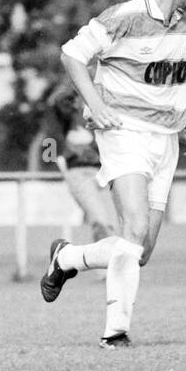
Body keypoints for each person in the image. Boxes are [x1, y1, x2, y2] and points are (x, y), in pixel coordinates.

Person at [40, 0, 186, 348]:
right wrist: (95, 105)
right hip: (123, 134)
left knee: (141, 250)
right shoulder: (123, 17)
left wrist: (181, 128)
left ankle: (66, 259)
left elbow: (168, 88)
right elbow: (71, 55)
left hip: (164, 143)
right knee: (132, 229)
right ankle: (115, 333)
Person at [43, 80, 116, 248]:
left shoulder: (101, 101)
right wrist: (54, 162)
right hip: (79, 171)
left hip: (104, 171)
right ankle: (103, 273)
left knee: (114, 225)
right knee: (101, 222)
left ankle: (113, 270)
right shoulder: (60, 105)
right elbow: (50, 136)